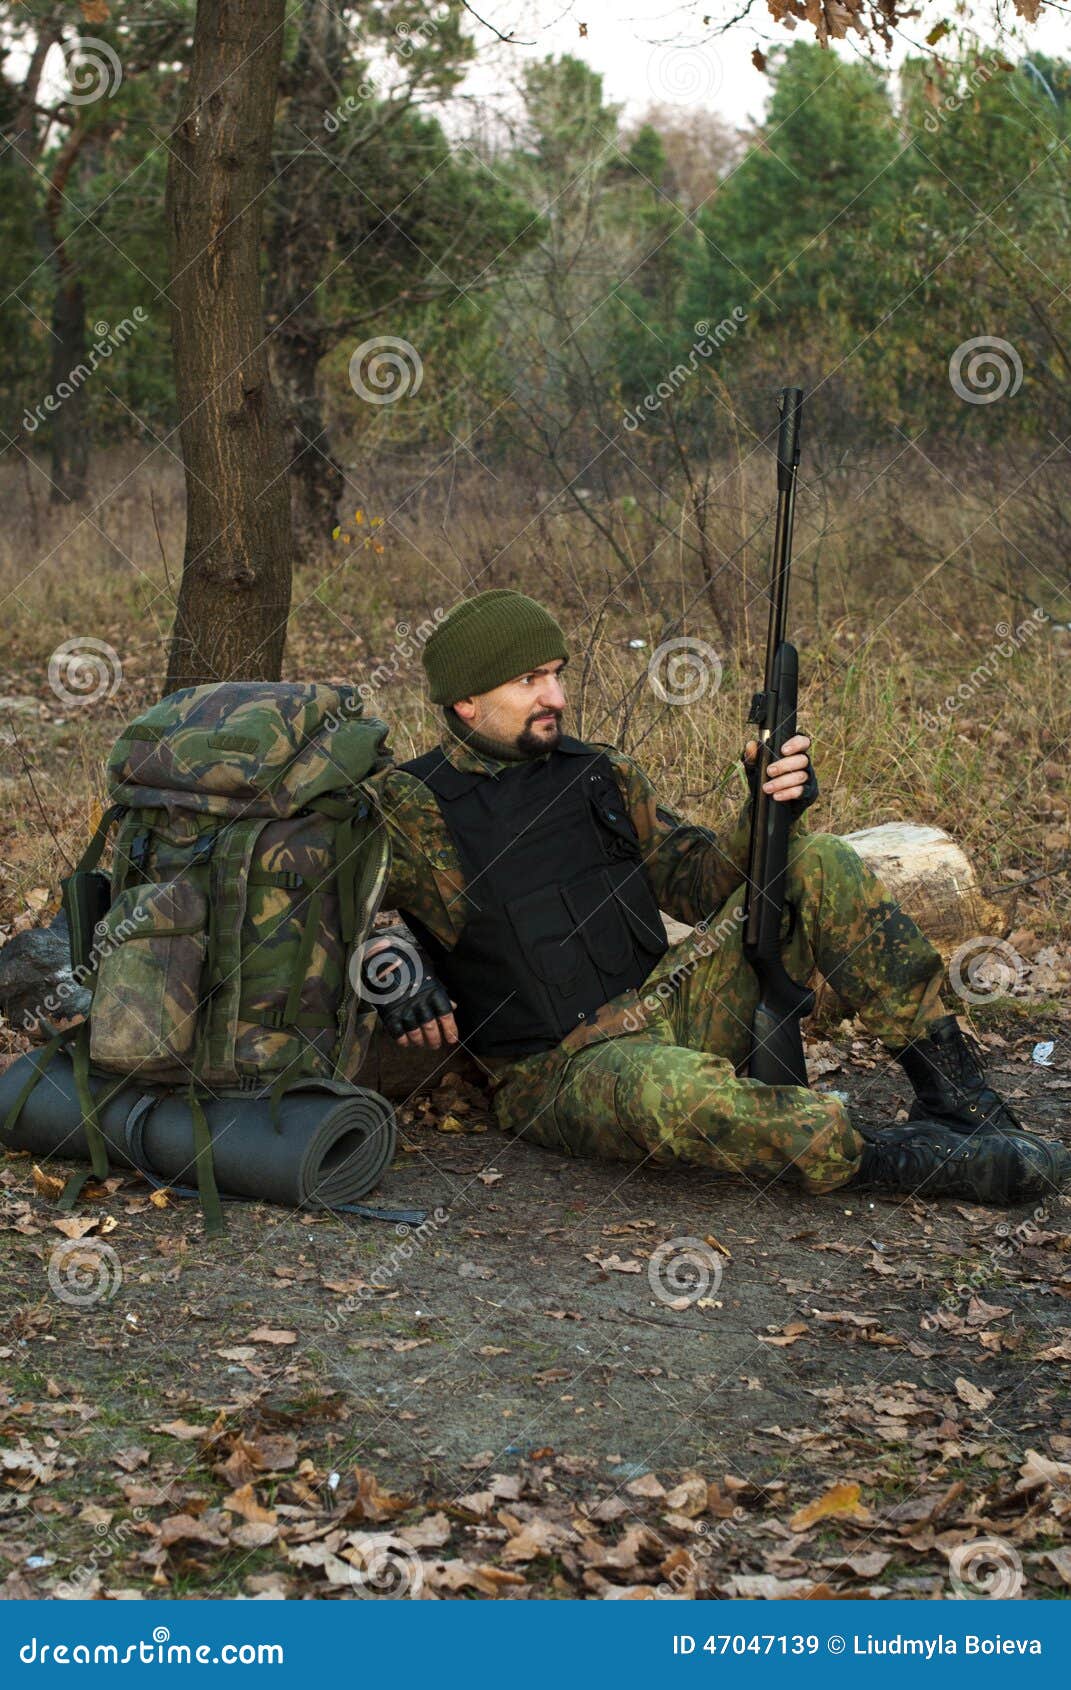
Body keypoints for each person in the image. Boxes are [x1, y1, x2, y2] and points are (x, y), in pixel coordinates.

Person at [365, 589, 1069, 1205]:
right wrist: (390, 957)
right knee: (677, 1096)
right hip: (562, 1070)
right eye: (528, 681)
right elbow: (327, 910)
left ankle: (959, 1097)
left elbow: (699, 884)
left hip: (673, 1004)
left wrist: (766, 812)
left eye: (555, 675)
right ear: (465, 701)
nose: (554, 697)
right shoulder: (411, 805)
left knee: (815, 858)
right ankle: (912, 1160)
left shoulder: (599, 774)